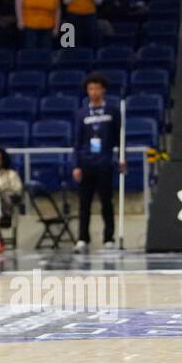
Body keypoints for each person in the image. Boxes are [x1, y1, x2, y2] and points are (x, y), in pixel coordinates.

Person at [72, 73, 124, 252]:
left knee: (106, 202)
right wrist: (77, 165)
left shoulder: (112, 111)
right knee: (84, 204)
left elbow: (120, 138)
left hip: (105, 162)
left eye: (97, 88)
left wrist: (122, 158)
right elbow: (77, 142)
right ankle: (82, 238)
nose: (94, 92)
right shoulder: (81, 114)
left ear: (103, 90)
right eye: (90, 88)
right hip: (86, 163)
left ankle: (108, 238)